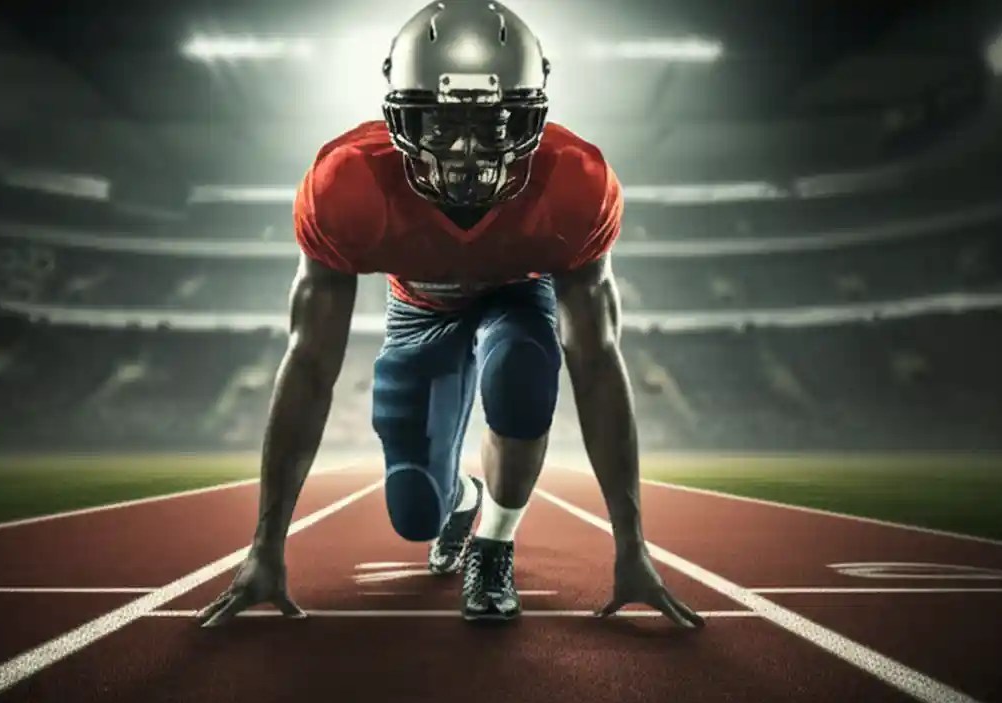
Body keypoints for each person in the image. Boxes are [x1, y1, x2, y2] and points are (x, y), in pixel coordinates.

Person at [199, 0, 703, 626]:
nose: (466, 152)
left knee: (524, 366)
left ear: (531, 117)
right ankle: (461, 501)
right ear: (401, 116)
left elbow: (596, 363)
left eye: (495, 126)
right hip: (420, 311)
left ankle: (492, 543)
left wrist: (631, 546)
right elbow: (308, 366)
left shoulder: (574, 184)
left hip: (516, 298)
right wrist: (265, 546)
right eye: (439, 125)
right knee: (416, 511)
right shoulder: (348, 185)